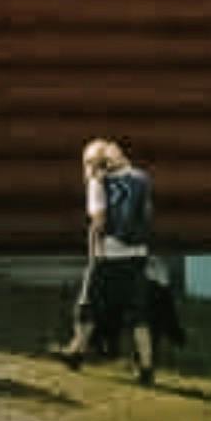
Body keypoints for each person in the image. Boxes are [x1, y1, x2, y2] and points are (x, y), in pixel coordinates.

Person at [61, 136, 159, 383]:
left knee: (87, 304)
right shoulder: (140, 177)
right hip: (137, 253)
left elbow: (99, 221)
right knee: (137, 311)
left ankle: (76, 352)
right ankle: (147, 367)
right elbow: (147, 214)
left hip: (108, 253)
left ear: (92, 162)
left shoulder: (98, 182)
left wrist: (94, 253)